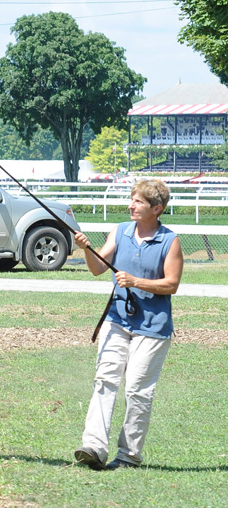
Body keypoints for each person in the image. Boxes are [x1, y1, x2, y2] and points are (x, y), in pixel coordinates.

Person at [73, 179, 183, 470]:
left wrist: (136, 281)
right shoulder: (120, 231)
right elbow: (98, 268)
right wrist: (86, 249)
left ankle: (129, 456)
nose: (131, 205)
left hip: (153, 328)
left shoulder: (169, 241)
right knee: (105, 379)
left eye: (138, 202)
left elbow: (172, 284)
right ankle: (94, 446)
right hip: (117, 320)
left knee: (136, 390)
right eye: (131, 199)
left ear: (156, 209)